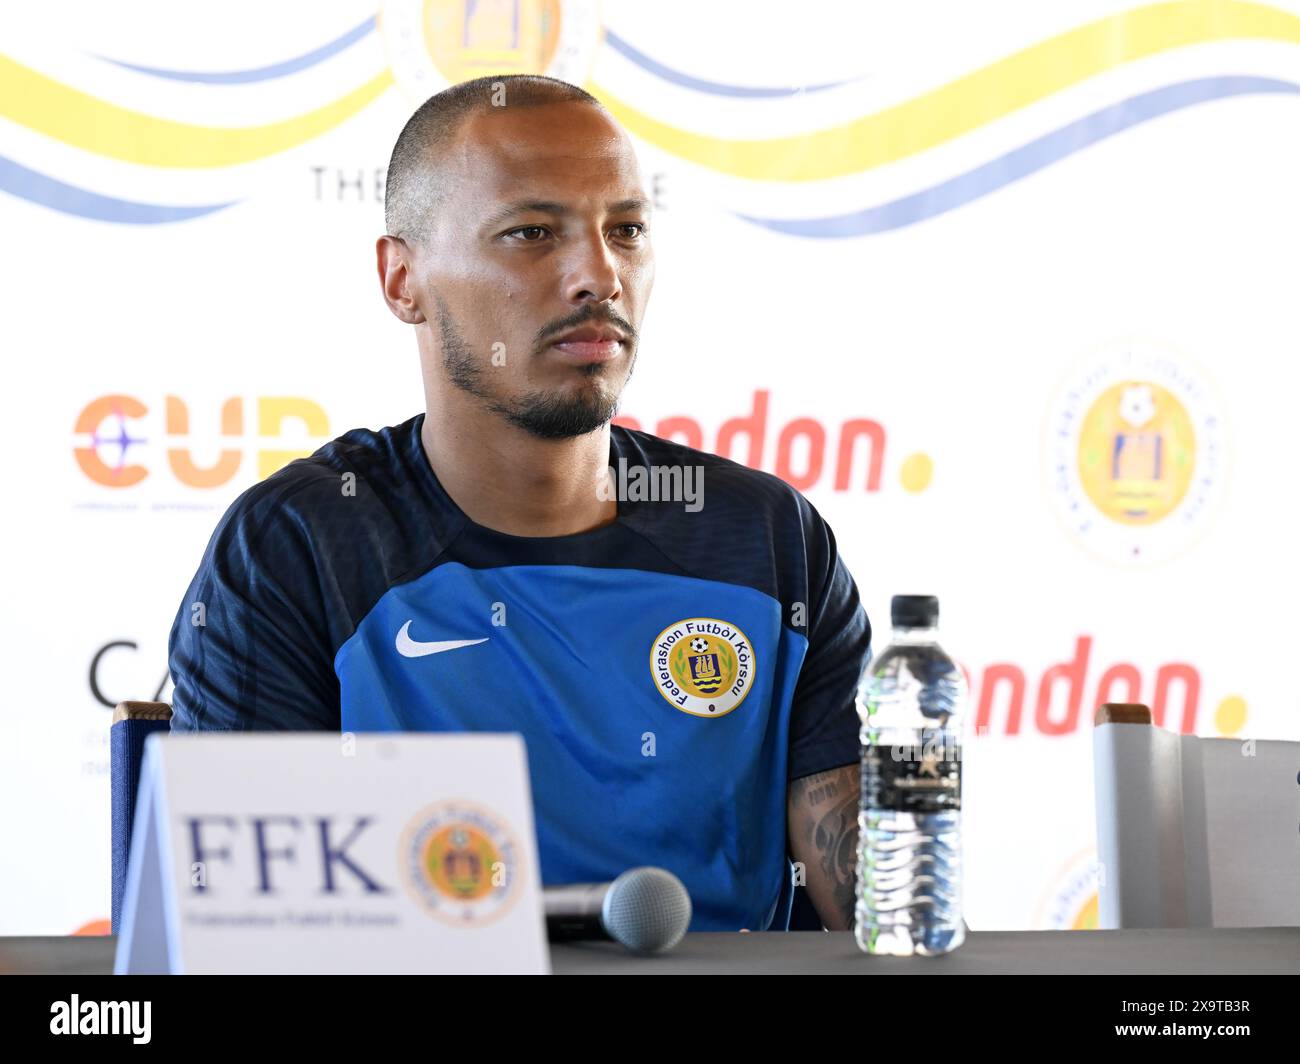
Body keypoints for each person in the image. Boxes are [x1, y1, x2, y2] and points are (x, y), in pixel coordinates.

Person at [168, 74, 872, 932]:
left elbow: (883, 920)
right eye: (532, 233)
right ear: (402, 281)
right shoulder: (300, 545)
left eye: (627, 230)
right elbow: (256, 941)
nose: (598, 275)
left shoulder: (767, 538)